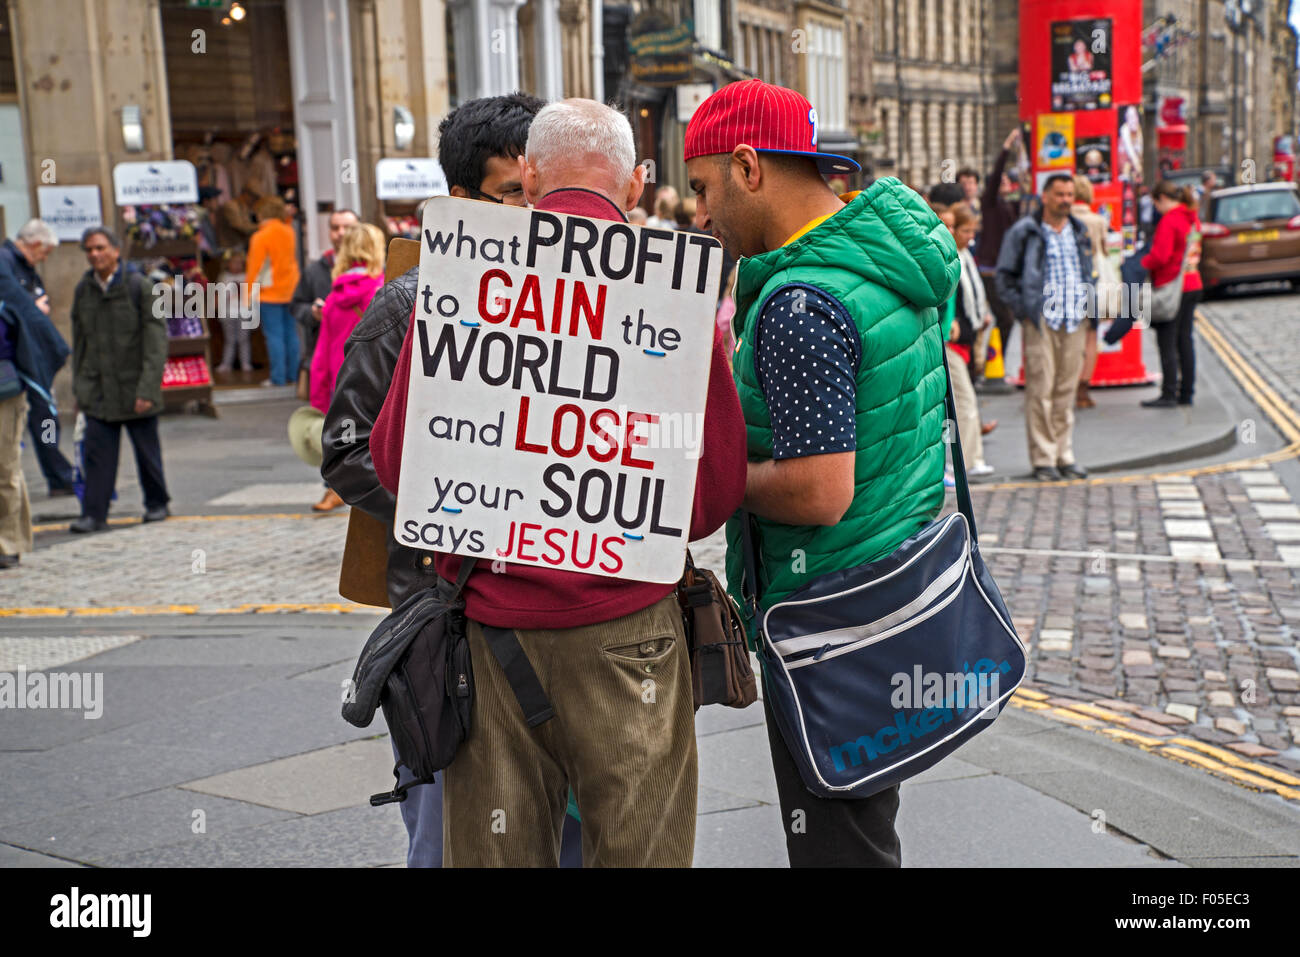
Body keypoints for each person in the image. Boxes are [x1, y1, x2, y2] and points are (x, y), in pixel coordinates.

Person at [368, 98, 747, 867]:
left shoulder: (468, 277)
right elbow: (711, 491)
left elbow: (395, 461)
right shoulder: (670, 293)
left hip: (494, 627)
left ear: (532, 176)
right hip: (630, 632)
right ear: (636, 185)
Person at [684, 78, 959, 867]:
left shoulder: (800, 305)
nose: (700, 213)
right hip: (890, 598)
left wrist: (714, 478)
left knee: (840, 850)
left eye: (703, 188)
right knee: (865, 833)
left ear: (748, 166)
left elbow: (818, 489)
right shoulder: (881, 265)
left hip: (828, 627)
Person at [321, 93, 581, 868]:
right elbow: (343, 448)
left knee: (569, 828)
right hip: (452, 625)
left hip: (557, 618)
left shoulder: (574, 298)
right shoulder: (405, 305)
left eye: (540, 193)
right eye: (512, 194)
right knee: (449, 838)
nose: (532, 212)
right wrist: (468, 507)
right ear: (460, 201)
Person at [68, 227, 169, 533]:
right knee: (97, 454)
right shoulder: (84, 289)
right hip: (98, 390)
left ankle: (156, 502)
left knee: (146, 451)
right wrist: (80, 389)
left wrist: (148, 389)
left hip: (134, 385)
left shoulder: (140, 286)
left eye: (99, 248)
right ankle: (94, 514)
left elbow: (156, 342)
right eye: (89, 250)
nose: (94, 255)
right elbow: (80, 342)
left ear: (115, 250)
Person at [996, 173, 1095, 482]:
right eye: (1060, 194)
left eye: (1069, 194)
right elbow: (1004, 277)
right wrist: (1025, 309)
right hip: (1041, 321)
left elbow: (1087, 272)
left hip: (1074, 319)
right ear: (1045, 197)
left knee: (1066, 390)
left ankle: (1064, 454)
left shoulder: (1079, 230)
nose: (1066, 199)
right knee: (1041, 390)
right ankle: (1043, 458)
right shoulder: (1025, 231)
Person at [309, 223, 385, 511]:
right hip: (376, 383)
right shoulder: (381, 291)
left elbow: (321, 352)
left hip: (340, 384)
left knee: (343, 443)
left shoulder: (333, 296)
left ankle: (336, 489)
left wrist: (318, 398)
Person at [0, 220, 75, 496]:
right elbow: (17, 306)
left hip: (30, 353)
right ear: (34, 245)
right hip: (20, 358)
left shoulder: (21, 265)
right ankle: (57, 473)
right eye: (45, 253)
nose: (45, 259)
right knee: (40, 413)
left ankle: (58, 472)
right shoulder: (6, 261)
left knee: (45, 414)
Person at [1140, 181, 1202, 408]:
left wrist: (1140, 263)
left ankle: (1168, 393)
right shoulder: (1192, 218)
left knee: (1166, 339)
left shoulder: (1170, 220)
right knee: (1185, 339)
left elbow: (1160, 256)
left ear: (1162, 199)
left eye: (1156, 204)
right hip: (1193, 282)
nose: (1157, 210)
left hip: (1171, 287)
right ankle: (1186, 392)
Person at [946, 203, 996, 478]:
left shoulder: (965, 254)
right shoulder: (949, 257)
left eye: (968, 230)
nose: (969, 236)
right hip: (952, 341)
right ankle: (961, 463)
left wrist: (981, 314)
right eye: (964, 230)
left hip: (969, 337)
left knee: (966, 400)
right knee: (963, 401)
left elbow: (974, 293)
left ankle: (970, 459)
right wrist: (949, 326)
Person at [975, 129, 1026, 389]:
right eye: (1002, 179)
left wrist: (1022, 152)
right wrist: (1005, 148)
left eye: (1008, 178)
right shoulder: (990, 203)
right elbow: (994, 178)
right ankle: (991, 364)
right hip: (989, 269)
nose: (1005, 180)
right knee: (1004, 318)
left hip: (1003, 269)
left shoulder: (1010, 205)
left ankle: (994, 363)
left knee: (1005, 318)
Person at [292, 208, 359, 388]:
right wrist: (312, 313)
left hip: (363, 357)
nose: (341, 233)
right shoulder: (314, 270)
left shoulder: (375, 269)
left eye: (347, 227)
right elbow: (297, 306)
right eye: (335, 227)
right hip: (325, 356)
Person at [245, 195, 301, 387]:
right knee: (291, 334)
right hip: (291, 288)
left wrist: (247, 295)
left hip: (269, 292)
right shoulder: (288, 230)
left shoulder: (260, 237)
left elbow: (255, 268)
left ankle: (278, 378)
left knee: (274, 336)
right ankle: (293, 377)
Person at [1071, 175, 1109, 410]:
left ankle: (1070, 384)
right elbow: (1104, 252)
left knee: (1071, 336)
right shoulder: (1098, 220)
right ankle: (1084, 390)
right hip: (1093, 282)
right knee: (1091, 337)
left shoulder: (1065, 219)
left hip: (1068, 285)